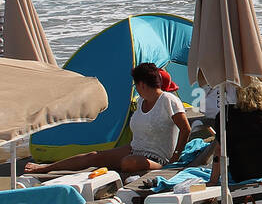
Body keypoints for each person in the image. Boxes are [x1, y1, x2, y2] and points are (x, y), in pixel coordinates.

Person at [27, 63, 191, 177]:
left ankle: (161, 167)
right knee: (94, 156)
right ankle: (46, 168)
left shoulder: (168, 100)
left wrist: (175, 157)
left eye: (136, 85)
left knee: (128, 163)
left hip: (158, 156)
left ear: (141, 84)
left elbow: (186, 129)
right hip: (136, 149)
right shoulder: (141, 102)